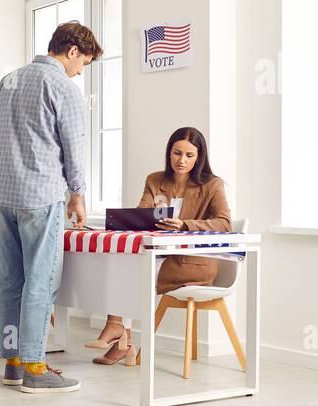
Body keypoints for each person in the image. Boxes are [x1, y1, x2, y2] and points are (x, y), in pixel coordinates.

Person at [0, 21, 102, 393]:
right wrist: (76, 194)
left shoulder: (9, 80)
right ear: (73, 50)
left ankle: (13, 361)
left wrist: (11, 160)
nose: (80, 72)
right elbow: (75, 151)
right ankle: (35, 365)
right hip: (40, 195)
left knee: (10, 281)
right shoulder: (63, 87)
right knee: (41, 281)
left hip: (3, 196)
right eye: (83, 63)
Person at [89, 127, 232, 366]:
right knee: (122, 264)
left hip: (192, 264)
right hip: (157, 256)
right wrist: (142, 217)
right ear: (169, 153)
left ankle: (119, 333)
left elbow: (225, 223)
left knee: (130, 272)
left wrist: (185, 224)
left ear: (199, 158)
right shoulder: (155, 180)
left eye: (189, 155)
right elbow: (140, 215)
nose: (182, 160)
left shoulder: (212, 185)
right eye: (177, 153)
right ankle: (120, 336)